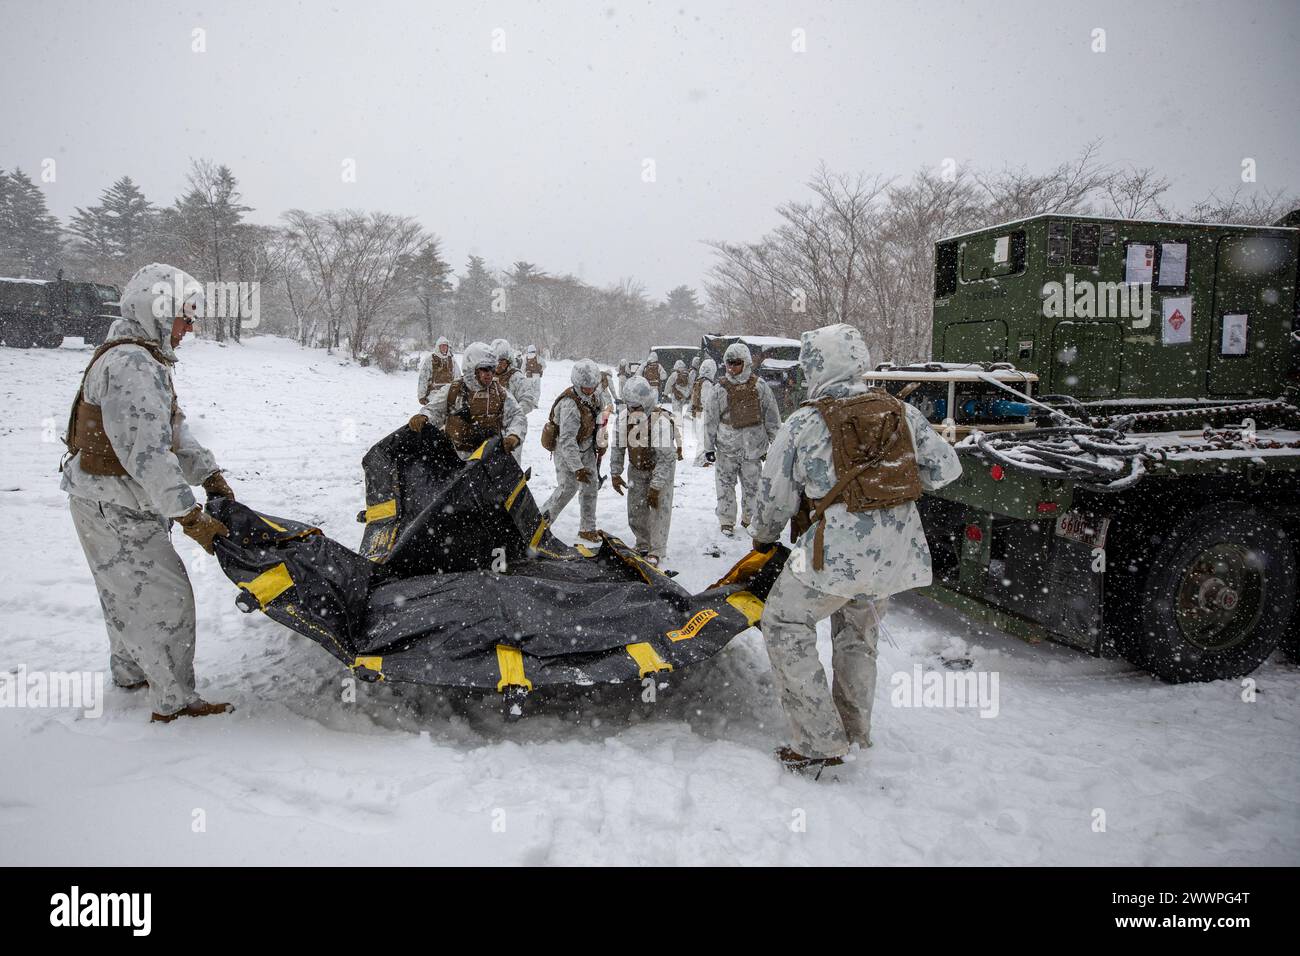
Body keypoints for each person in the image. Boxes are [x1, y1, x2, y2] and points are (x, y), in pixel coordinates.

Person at [748, 324, 962, 775]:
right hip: (894, 552)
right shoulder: (901, 411)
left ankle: (819, 740)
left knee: (785, 621)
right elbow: (946, 468)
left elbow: (774, 499)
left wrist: (763, 538)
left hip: (835, 551)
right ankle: (855, 729)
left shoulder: (804, 422)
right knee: (858, 633)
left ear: (814, 366)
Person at [61, 263, 235, 724]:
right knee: (166, 599)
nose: (190, 326)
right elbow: (149, 456)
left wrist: (210, 473)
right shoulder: (134, 364)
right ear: (156, 309)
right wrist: (191, 516)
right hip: (115, 504)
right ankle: (174, 703)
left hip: (102, 499)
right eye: (185, 314)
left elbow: (173, 431)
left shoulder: (139, 356)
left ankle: (131, 672)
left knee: (124, 592)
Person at [703, 342, 780, 534]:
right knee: (725, 486)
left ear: (745, 363)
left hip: (753, 450)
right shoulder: (719, 389)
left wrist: (777, 445)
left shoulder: (760, 387)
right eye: (728, 363)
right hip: (726, 448)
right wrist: (708, 447)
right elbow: (710, 420)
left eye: (736, 363)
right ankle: (726, 521)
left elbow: (772, 418)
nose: (731, 367)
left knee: (753, 488)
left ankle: (750, 519)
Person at [409, 341, 525, 459]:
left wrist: (514, 436)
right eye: (484, 369)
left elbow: (517, 416)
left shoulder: (500, 393)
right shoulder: (454, 390)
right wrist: (424, 417)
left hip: (487, 461)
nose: (489, 374)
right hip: (453, 458)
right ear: (472, 369)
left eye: (492, 369)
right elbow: (434, 410)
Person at [608, 375, 680, 566]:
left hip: (660, 467)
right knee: (636, 508)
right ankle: (642, 544)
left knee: (658, 510)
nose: (632, 410)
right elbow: (617, 446)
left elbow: (666, 458)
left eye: (636, 406)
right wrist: (615, 473)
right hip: (637, 467)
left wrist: (656, 486)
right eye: (629, 406)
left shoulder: (660, 422)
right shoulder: (624, 417)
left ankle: (656, 549)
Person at [540, 360, 604, 543]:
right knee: (568, 487)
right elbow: (567, 441)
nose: (590, 390)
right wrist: (577, 468)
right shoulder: (570, 405)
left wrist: (601, 442)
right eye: (586, 388)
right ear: (578, 384)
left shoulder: (596, 397)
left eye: (592, 387)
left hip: (586, 445)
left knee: (590, 488)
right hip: (565, 448)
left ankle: (587, 528)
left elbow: (601, 419)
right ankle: (540, 523)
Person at [490, 337, 534, 461]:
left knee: (509, 464)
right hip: (489, 428)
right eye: (496, 361)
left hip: (511, 429)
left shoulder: (516, 377)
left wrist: (513, 413)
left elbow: (528, 399)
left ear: (508, 362)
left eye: (502, 362)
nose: (498, 365)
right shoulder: (486, 376)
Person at [417, 336, 459, 404]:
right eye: (442, 346)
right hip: (434, 393)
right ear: (438, 347)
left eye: (446, 346)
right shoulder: (430, 360)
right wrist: (421, 396)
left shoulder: (451, 360)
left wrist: (457, 392)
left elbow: (457, 377)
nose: (444, 348)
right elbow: (423, 378)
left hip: (449, 393)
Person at [691, 358, 718, 462]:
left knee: (701, 436)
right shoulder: (707, 383)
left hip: (697, 412)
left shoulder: (698, 381)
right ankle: (701, 459)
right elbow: (706, 400)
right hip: (703, 413)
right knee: (704, 437)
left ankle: (702, 457)